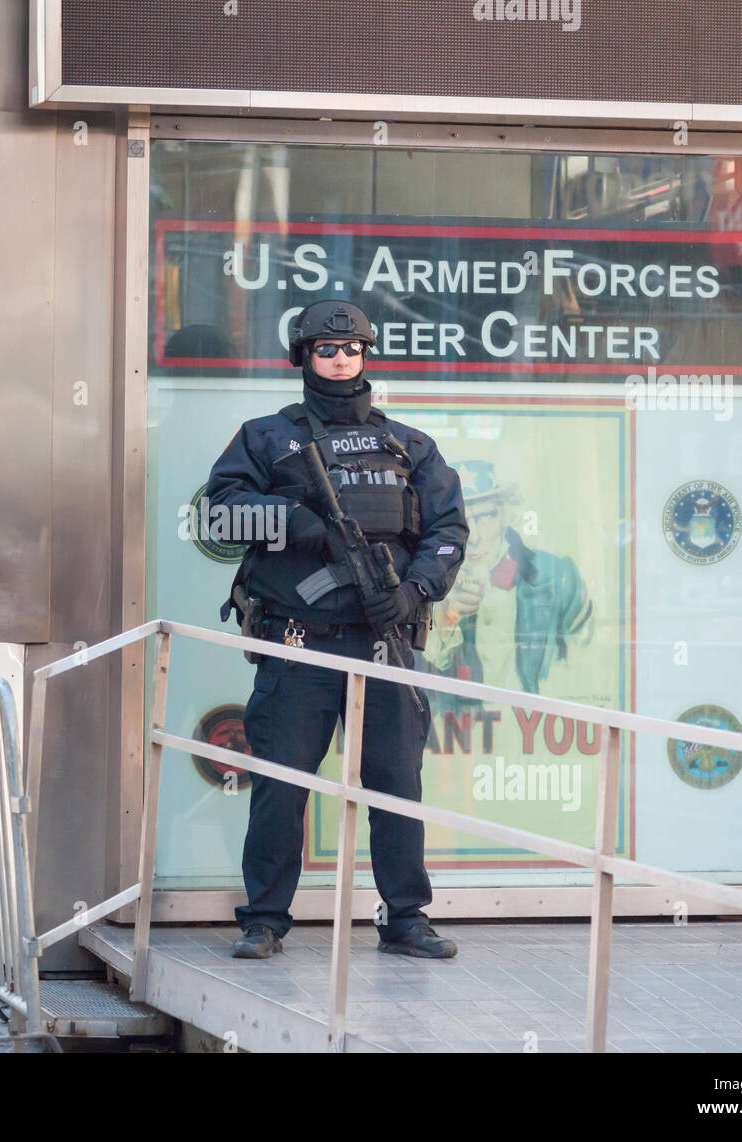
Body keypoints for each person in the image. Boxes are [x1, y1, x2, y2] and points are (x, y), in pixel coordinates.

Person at [207, 299, 469, 960]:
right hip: (300, 646)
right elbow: (219, 514)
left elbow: (448, 532)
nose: (340, 359)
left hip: (386, 644)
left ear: (364, 355)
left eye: (351, 348)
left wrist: (413, 594)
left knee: (397, 786)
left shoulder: (409, 446)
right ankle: (264, 919)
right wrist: (295, 523)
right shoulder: (266, 438)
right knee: (281, 785)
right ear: (304, 358)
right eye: (326, 349)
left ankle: (405, 917)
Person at [422, 460, 592, 700]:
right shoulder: (425, 582)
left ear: (507, 513)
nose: (475, 536)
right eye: (462, 520)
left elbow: (585, 666)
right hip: (463, 727)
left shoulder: (559, 577)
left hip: (536, 723)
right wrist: (444, 618)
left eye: (486, 516)